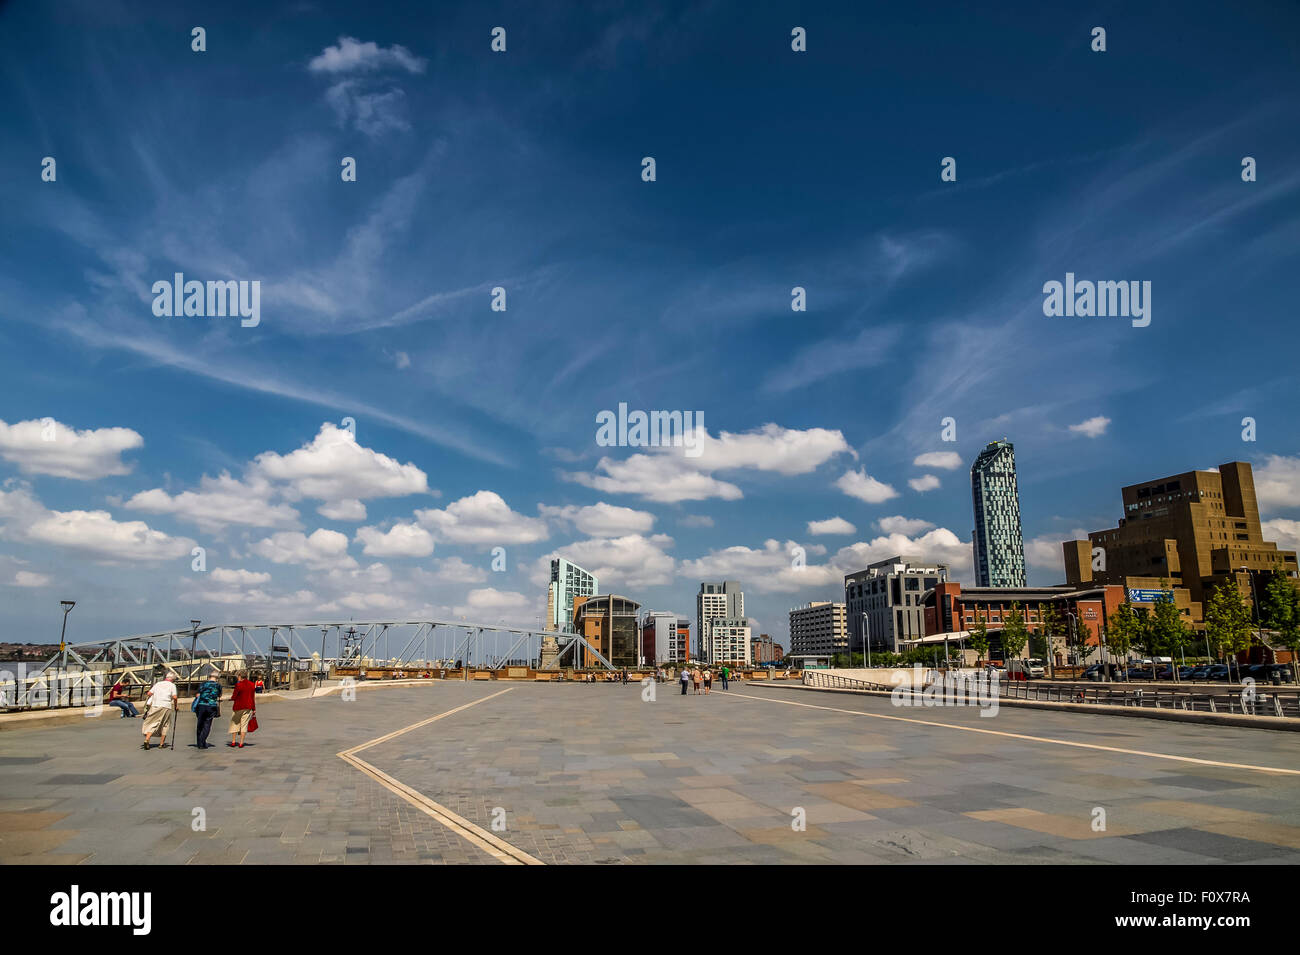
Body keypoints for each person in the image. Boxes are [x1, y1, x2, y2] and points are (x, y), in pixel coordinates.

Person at [141, 672, 178, 750]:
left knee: (152, 722)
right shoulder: (172, 685)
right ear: (173, 679)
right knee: (165, 724)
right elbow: (174, 697)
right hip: (166, 706)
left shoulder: (158, 684)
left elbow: (149, 693)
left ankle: (147, 739)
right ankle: (161, 744)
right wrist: (176, 706)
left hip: (155, 705)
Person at [192, 672, 222, 749]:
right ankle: (202, 741)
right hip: (211, 706)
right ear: (217, 678)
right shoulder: (218, 685)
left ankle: (199, 742)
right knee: (207, 724)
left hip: (201, 705)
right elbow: (219, 695)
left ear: (209, 677)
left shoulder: (203, 684)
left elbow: (197, 694)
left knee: (200, 724)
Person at [228, 670, 256, 748]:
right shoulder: (252, 684)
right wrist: (254, 708)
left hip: (238, 706)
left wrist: (231, 699)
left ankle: (233, 742)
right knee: (244, 725)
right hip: (248, 707)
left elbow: (234, 696)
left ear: (240, 676)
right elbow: (252, 697)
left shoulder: (238, 685)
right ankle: (241, 743)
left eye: (238, 677)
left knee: (235, 723)